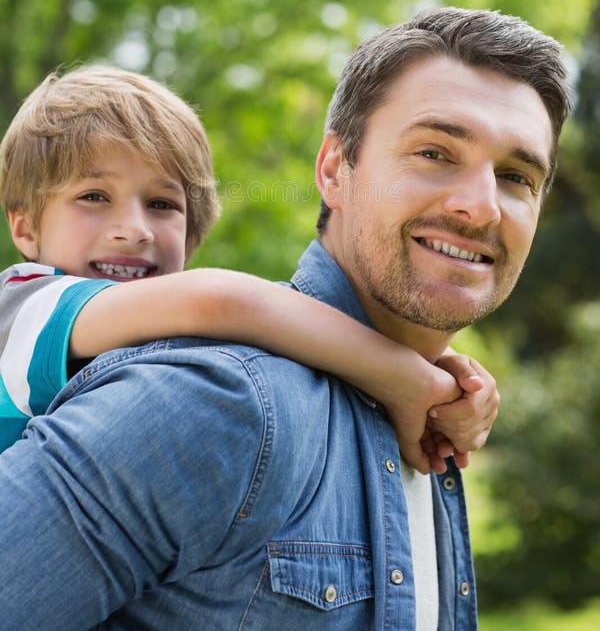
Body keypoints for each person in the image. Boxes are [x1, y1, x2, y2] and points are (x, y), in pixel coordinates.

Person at [0, 7, 571, 629]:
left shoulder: (417, 420)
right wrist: (406, 376)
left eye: (516, 176)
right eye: (434, 152)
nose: (480, 207)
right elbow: (227, 300)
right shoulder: (216, 402)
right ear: (334, 170)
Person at [0, 65, 493, 467]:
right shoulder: (24, 305)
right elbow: (225, 302)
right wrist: (404, 376)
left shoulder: (170, 340)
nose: (135, 229)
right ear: (24, 228)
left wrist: (434, 367)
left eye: (161, 204)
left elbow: (276, 321)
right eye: (93, 196)